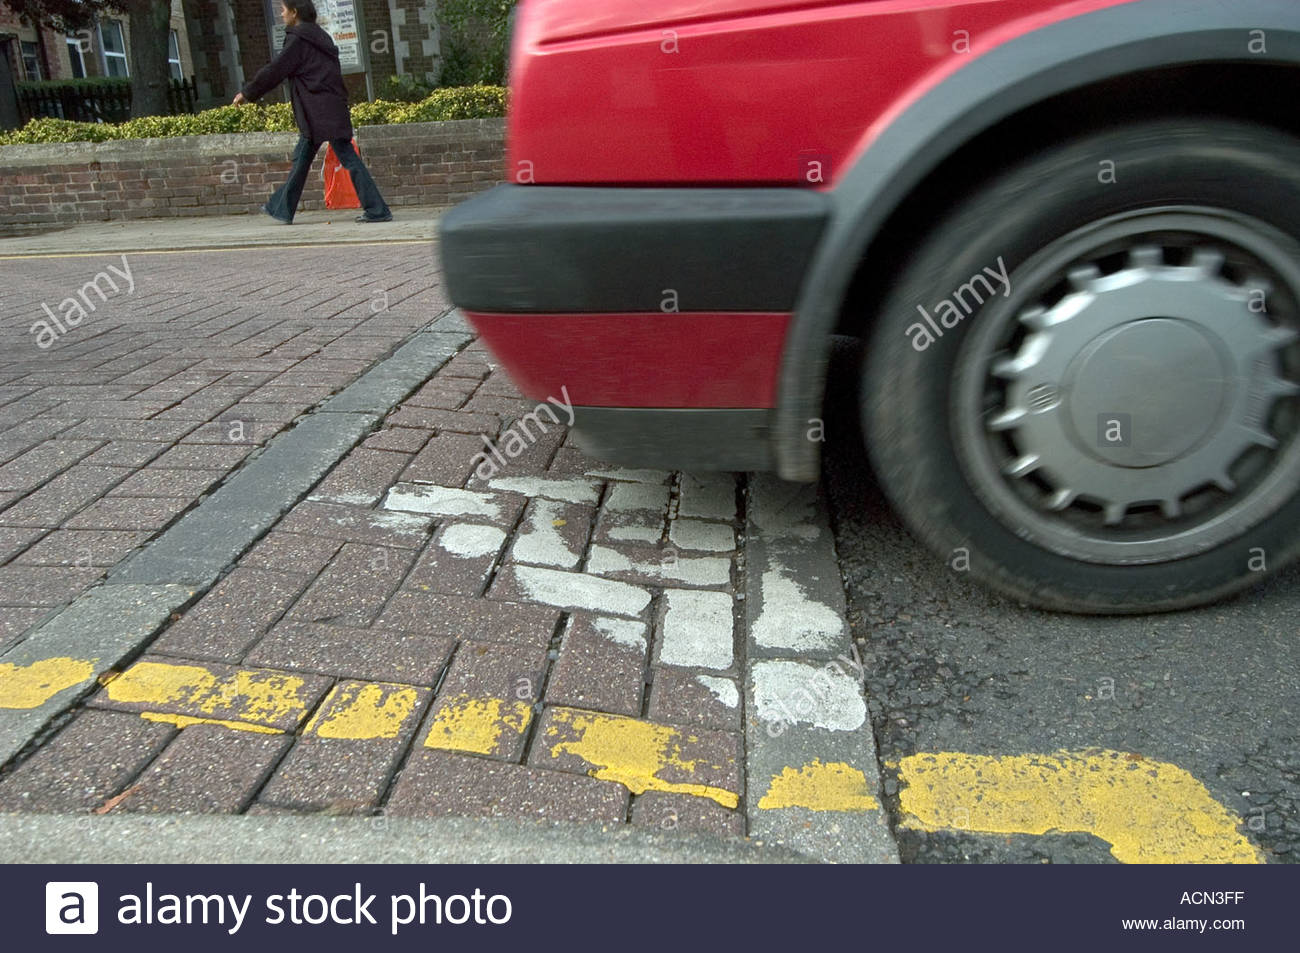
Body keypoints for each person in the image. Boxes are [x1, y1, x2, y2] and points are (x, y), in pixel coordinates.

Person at [233, 0, 392, 224]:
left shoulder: (298, 40)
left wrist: (248, 92)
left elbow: (275, 70)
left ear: (295, 13)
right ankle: (281, 208)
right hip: (329, 108)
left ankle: (377, 210)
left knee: (343, 158)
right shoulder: (320, 36)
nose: (281, 14)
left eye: (283, 9)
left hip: (316, 112)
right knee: (306, 159)